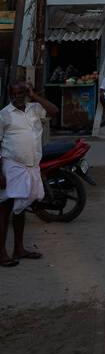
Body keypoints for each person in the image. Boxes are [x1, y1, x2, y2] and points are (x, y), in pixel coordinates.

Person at [0, 80, 59, 265]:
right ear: (10, 95)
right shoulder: (4, 115)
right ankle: (1, 253)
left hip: (31, 166)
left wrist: (34, 96)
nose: (18, 97)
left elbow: (54, 111)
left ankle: (19, 249)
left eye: (22, 93)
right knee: (5, 208)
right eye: (15, 94)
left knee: (21, 207)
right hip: (12, 166)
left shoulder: (35, 108)